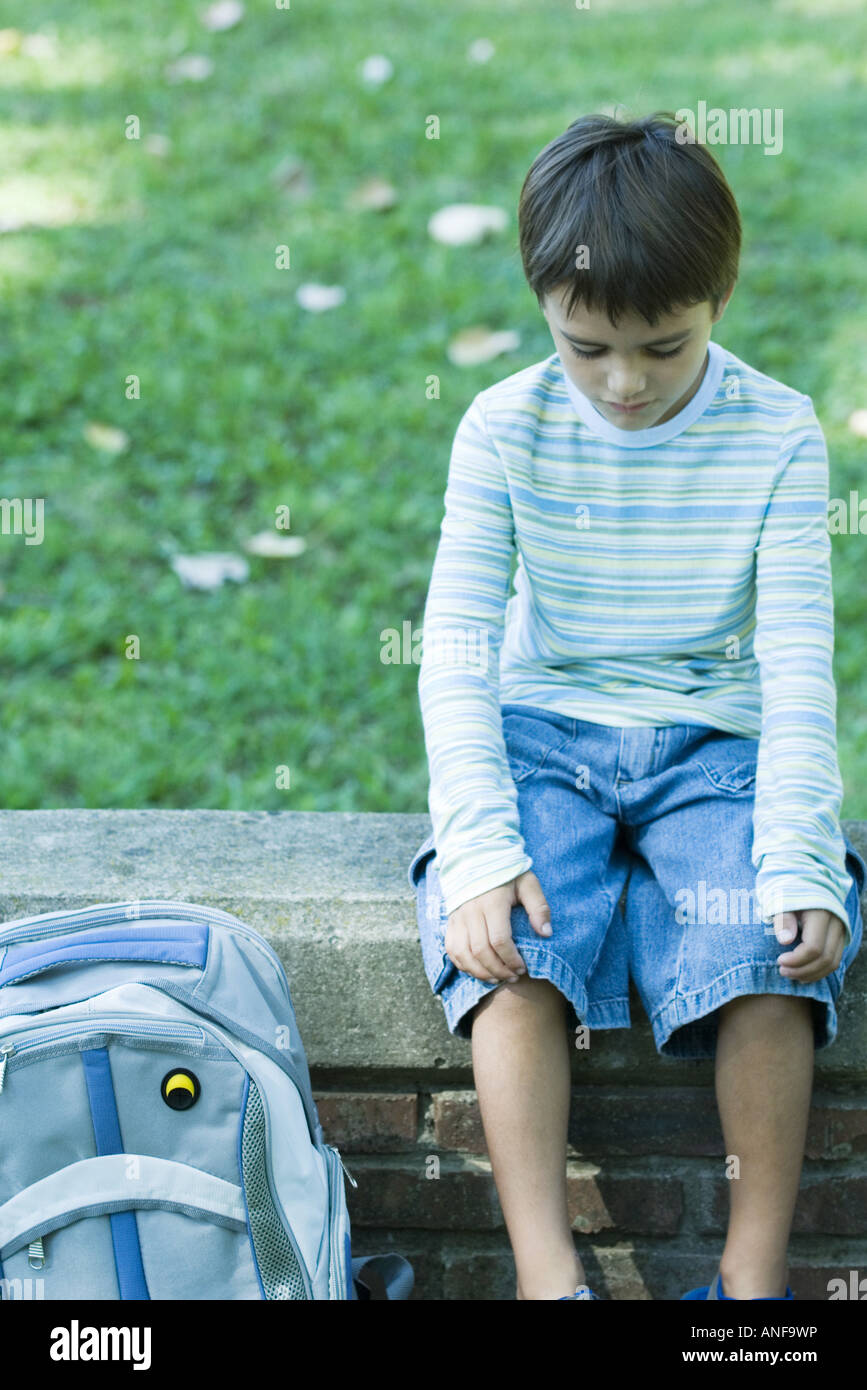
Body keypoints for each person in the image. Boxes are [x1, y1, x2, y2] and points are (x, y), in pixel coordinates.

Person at [407, 111, 867, 1302]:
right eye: (587, 347)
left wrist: (802, 851)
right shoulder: (505, 429)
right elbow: (456, 645)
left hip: (715, 740)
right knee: (514, 945)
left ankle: (751, 1286)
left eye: (663, 348)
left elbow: (798, 659)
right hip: (544, 734)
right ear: (545, 311)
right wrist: (479, 844)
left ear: (720, 296)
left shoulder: (776, 433)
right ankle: (548, 1276)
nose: (624, 383)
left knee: (770, 951)